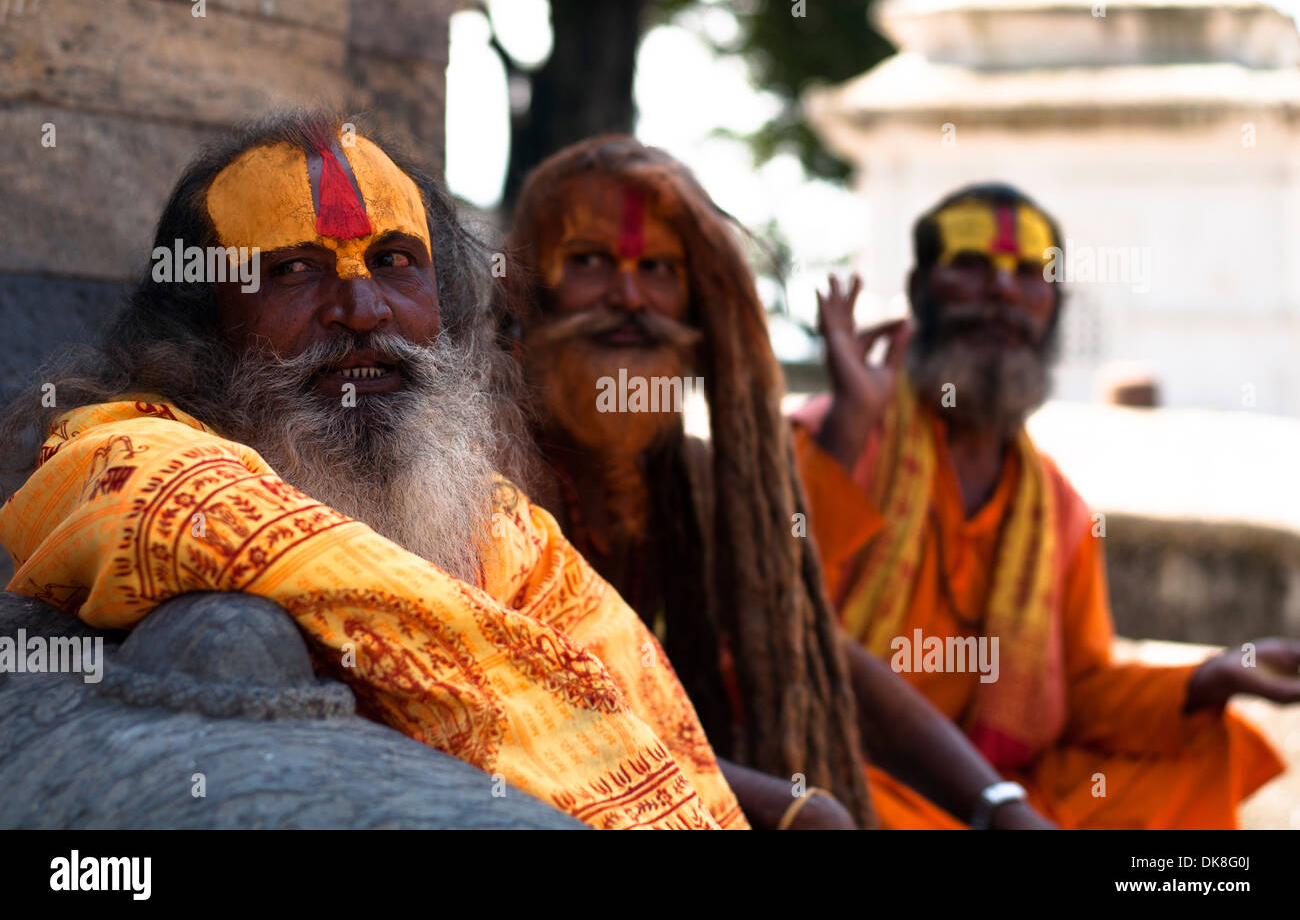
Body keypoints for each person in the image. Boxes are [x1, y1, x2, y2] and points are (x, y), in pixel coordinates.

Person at [0, 111, 745, 831]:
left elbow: (650, 732)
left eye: (393, 261)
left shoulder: (503, 530)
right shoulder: (118, 455)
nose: (361, 309)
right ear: (205, 325)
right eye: (295, 269)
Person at [502, 137, 1057, 829]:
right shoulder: (485, 474)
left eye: (659, 269)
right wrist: (791, 809)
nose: (629, 295)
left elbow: (799, 629)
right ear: (523, 286)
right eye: (589, 261)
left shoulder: (695, 477)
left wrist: (998, 802)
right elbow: (540, 707)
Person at [794, 182, 1295, 828]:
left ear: (1054, 309)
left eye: (1029, 274)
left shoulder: (1056, 506)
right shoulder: (842, 436)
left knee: (1203, 750)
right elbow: (779, 623)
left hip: (1004, 780)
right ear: (921, 289)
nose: (1003, 290)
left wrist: (1210, 677)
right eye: (973, 267)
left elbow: (1082, 690)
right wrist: (847, 424)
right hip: (864, 766)